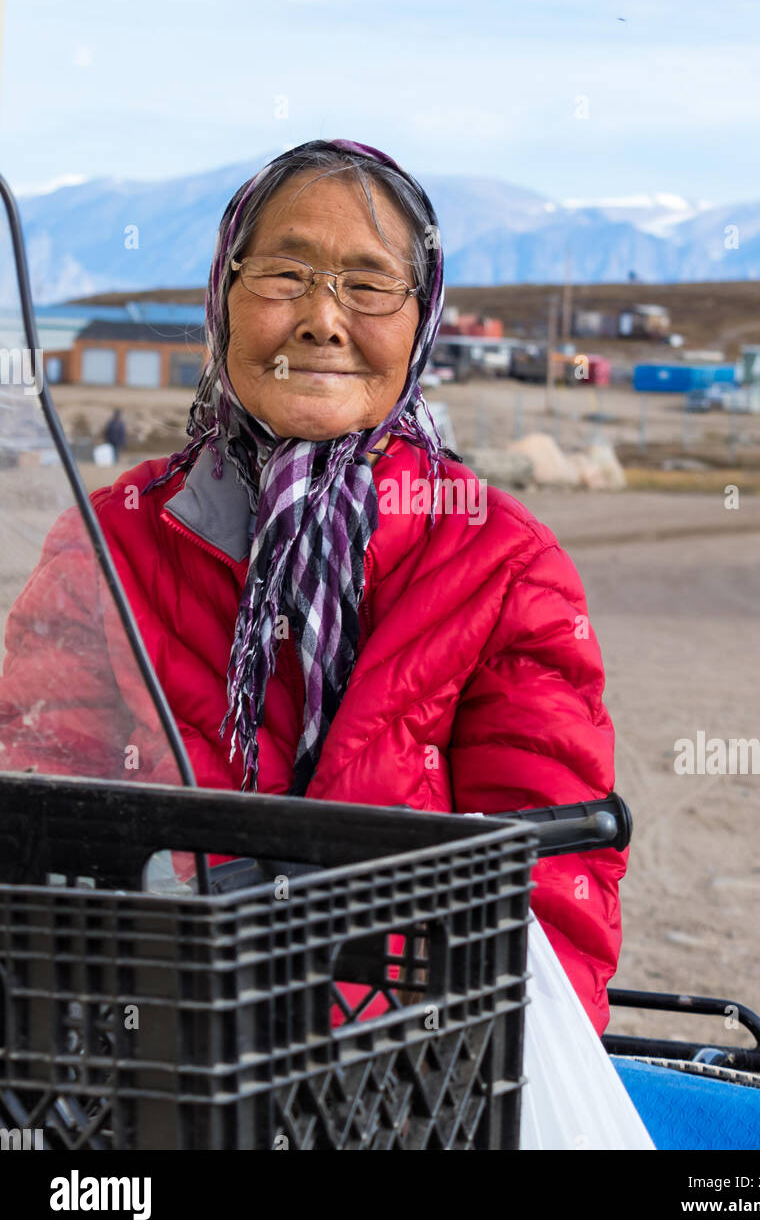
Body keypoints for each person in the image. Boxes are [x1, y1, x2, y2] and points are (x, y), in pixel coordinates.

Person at [0, 139, 626, 1035]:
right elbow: (38, 840)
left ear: (421, 322)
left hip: (413, 1072)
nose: (323, 320)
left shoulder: (502, 565)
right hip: (167, 1061)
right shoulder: (110, 545)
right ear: (224, 297)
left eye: (368, 284)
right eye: (284, 274)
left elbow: (551, 893)